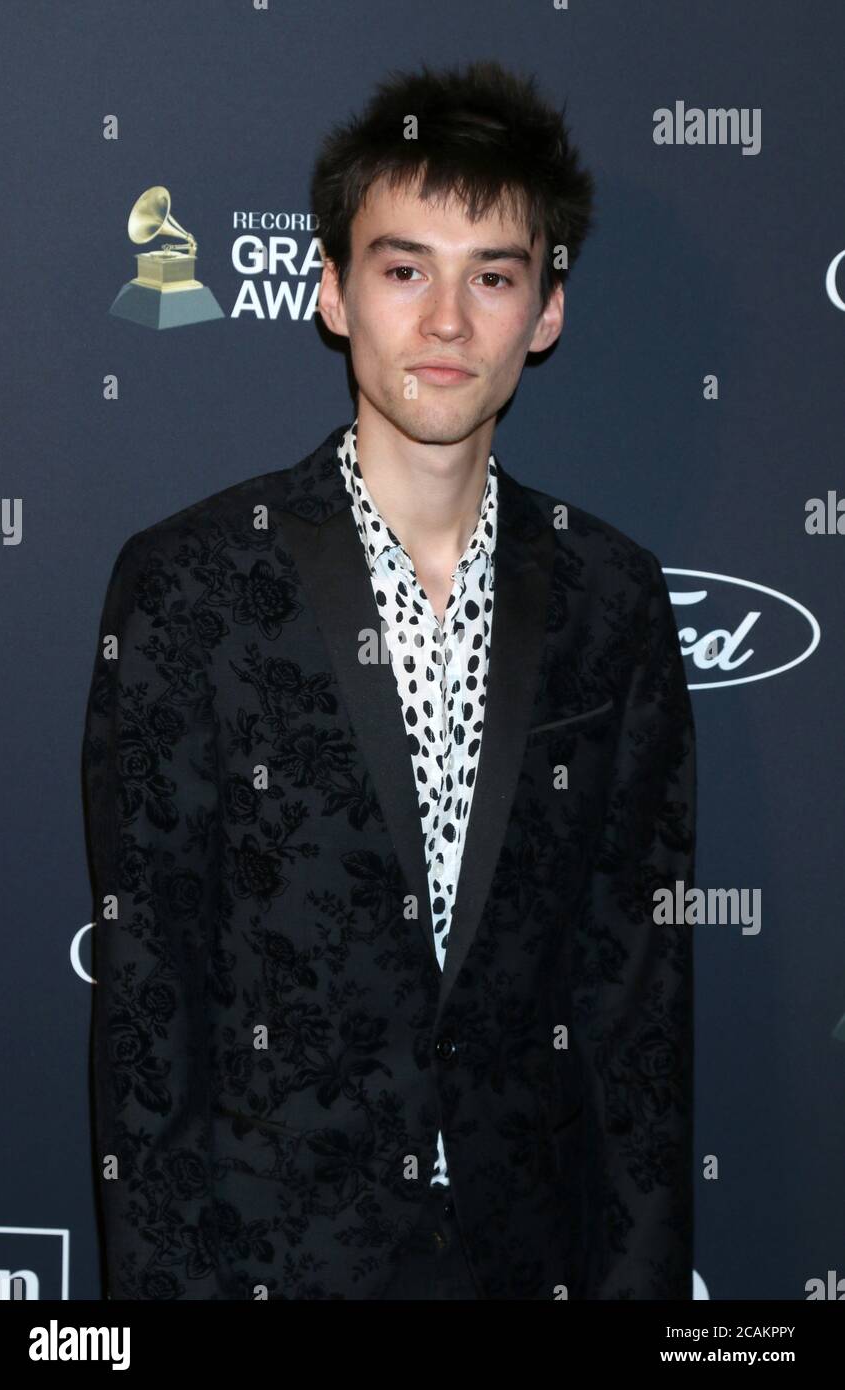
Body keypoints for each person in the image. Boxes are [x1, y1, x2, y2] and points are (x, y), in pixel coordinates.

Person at [82, 58, 696, 1300]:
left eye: (494, 277)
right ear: (329, 291)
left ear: (548, 312)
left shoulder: (610, 598)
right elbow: (151, 1010)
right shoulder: (191, 586)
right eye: (404, 268)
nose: (447, 323)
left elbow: (637, 1008)